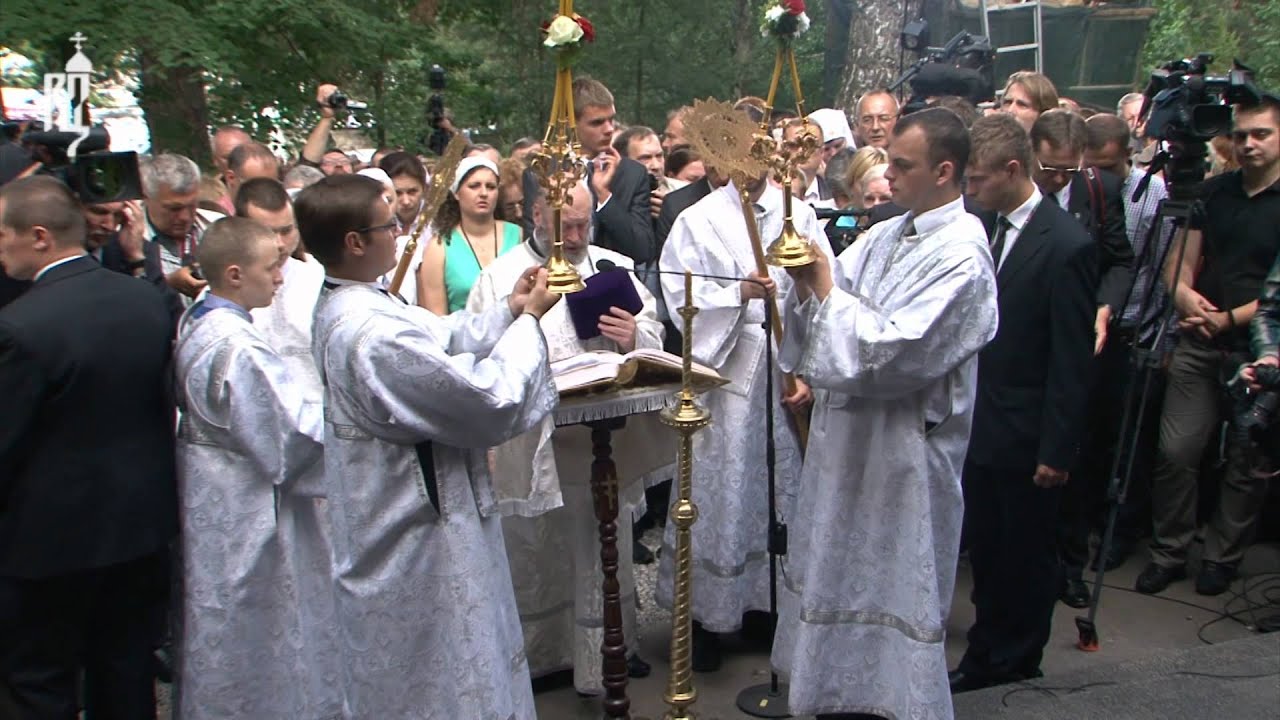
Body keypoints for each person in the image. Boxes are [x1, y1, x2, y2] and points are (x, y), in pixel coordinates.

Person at [299, 173, 560, 719]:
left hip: (406, 506)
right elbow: (486, 401)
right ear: (355, 242)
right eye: (388, 224)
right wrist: (532, 323)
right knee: (442, 670)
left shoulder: (358, 301)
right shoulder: (368, 333)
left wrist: (507, 310)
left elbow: (438, 337)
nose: (399, 233)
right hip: (412, 527)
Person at [772, 107, 999, 720]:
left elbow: (894, 349)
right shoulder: (887, 233)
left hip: (903, 449)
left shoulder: (964, 256)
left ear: (945, 171)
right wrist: (801, 285)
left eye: (903, 165)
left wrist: (821, 289)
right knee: (836, 564)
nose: (888, 175)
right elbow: (832, 299)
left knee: (892, 576)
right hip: (846, 439)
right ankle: (833, 695)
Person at [470, 181, 667, 692]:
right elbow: (482, 348)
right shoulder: (501, 277)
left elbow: (653, 332)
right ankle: (546, 653)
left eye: (584, 224)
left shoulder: (609, 266)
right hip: (537, 435)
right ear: (537, 213)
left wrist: (634, 334)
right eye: (566, 226)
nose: (577, 235)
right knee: (540, 542)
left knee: (602, 535)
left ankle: (612, 648)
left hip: (603, 431)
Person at [0, 176, 177, 718]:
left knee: (38, 683)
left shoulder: (20, 327)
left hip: (50, 543)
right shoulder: (147, 300)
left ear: (37, 237)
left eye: (1, 235)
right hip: (141, 529)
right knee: (125, 675)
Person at [657, 155, 833, 673]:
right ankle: (704, 618)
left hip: (782, 373)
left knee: (776, 490)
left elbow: (825, 288)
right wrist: (737, 292)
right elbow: (678, 294)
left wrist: (806, 367)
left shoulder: (796, 214)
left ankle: (765, 604)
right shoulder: (699, 218)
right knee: (719, 492)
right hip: (725, 380)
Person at [950, 113, 1097, 694]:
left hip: (1028, 430)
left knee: (1024, 555)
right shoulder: (981, 227)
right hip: (981, 420)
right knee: (988, 549)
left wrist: (1056, 450)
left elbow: (1070, 360)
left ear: (1013, 170)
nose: (971, 190)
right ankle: (988, 652)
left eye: (980, 180)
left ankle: (1016, 659)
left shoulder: (1066, 246)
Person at [172, 217, 340, 719]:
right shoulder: (237, 347)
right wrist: (358, 425)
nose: (282, 278)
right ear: (234, 274)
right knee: (264, 629)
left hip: (218, 497)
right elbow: (292, 437)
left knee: (227, 619)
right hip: (246, 506)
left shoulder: (199, 320)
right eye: (272, 268)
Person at [1138, 96, 1280, 597]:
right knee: (1176, 449)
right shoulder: (1214, 192)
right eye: (1241, 135)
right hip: (1198, 337)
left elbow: (1276, 296)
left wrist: (1227, 319)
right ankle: (1169, 550)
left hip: (1259, 349)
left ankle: (1222, 556)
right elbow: (1180, 259)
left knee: (1245, 457)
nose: (1248, 144)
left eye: (1260, 134)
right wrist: (1182, 296)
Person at [418, 156, 521, 313]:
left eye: (491, 187)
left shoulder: (518, 235)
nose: (483, 193)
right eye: (474, 186)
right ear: (456, 193)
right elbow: (437, 318)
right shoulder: (438, 247)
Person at [574, 77, 657, 264]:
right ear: (571, 125)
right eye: (597, 123)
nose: (609, 129)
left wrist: (604, 196)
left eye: (612, 119)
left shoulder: (633, 174)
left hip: (615, 281)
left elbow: (642, 250)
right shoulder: (543, 173)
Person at [141, 153, 224, 303]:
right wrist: (167, 285)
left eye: (192, 205)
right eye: (174, 208)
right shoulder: (124, 241)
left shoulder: (220, 227)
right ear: (146, 197)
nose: (185, 217)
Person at [221, 142, 280, 214]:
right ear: (231, 178)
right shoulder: (216, 218)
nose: (265, 194)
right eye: (256, 187)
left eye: (272, 187)